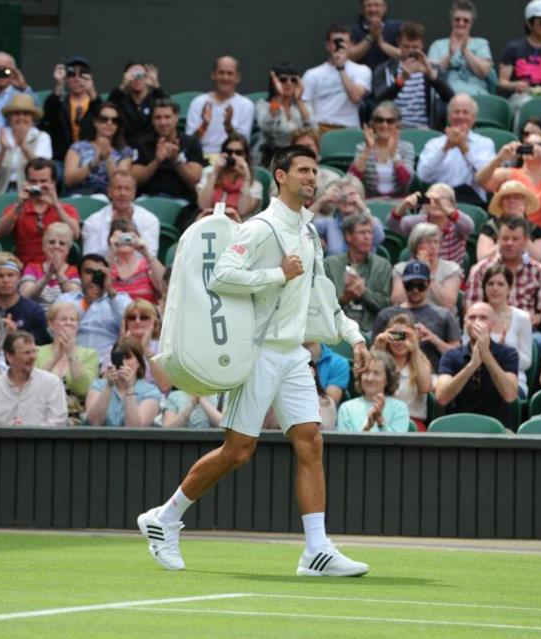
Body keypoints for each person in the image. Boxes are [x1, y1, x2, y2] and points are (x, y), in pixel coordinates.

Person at [136, 144, 371, 577]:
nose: (310, 177)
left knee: (311, 442)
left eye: (314, 170)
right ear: (280, 176)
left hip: (293, 354)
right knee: (238, 451)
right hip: (258, 352)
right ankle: (164, 518)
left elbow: (320, 293)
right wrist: (278, 274)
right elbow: (222, 274)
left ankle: (316, 550)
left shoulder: (309, 232)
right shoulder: (261, 228)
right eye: (301, 169)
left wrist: (354, 336)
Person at [466, 216, 541, 347]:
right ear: (498, 240)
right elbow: (470, 308)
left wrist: (537, 318)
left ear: (525, 241)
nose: (509, 243)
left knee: (540, 341)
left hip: (526, 330)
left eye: (515, 239)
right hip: (487, 327)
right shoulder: (480, 270)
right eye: (505, 238)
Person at [436, 302, 520, 429]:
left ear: (493, 324)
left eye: (483, 318)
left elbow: (510, 395)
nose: (477, 322)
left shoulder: (508, 354)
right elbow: (442, 397)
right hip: (459, 429)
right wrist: (471, 366)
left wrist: (486, 356)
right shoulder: (451, 355)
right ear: (465, 322)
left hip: (498, 431)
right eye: (472, 317)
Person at [475, 133, 541, 236]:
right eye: (528, 145)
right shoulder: (509, 174)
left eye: (540, 145)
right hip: (509, 237)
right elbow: (480, 180)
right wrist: (499, 158)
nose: (533, 148)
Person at [374, 260, 461, 369]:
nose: (415, 290)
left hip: (433, 375)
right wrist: (398, 336)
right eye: (410, 285)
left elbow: (457, 356)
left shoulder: (444, 315)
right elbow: (374, 353)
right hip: (394, 374)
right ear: (403, 284)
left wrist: (433, 338)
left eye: (420, 286)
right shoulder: (386, 315)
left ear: (429, 284)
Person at [0, 158, 81, 267]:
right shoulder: (16, 207)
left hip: (56, 270)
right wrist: (18, 206)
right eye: (33, 182)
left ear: (53, 182)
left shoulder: (66, 208)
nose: (38, 186)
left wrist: (56, 206)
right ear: (26, 182)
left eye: (43, 181)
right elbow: (0, 232)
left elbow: (76, 234)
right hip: (25, 270)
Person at [371, 22, 454, 130]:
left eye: (415, 47)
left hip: (425, 129)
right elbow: (378, 99)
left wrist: (432, 77)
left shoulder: (433, 69)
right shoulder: (385, 69)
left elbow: (450, 98)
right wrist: (401, 80)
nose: (410, 51)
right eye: (406, 46)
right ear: (399, 44)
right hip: (393, 128)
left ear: (422, 46)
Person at [416, 94, 495, 207]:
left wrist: (465, 149)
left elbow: (485, 178)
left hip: (472, 202)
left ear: (474, 118)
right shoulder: (434, 144)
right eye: (456, 112)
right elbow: (423, 175)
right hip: (438, 201)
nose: (460, 116)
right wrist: (444, 149)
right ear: (449, 117)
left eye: (465, 112)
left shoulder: (485, 144)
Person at [0, 330, 68, 426]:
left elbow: (59, 421)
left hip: (41, 440)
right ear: (9, 357)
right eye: (27, 353)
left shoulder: (52, 383)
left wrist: (28, 432)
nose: (33, 356)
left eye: (34, 351)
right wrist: (8, 430)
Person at [323, 213, 393, 337]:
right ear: (348, 236)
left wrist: (364, 293)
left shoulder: (382, 265)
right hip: (337, 329)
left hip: (370, 331)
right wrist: (344, 298)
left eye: (370, 232)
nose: (367, 237)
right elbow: (323, 306)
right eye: (362, 232)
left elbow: (386, 307)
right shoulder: (330, 265)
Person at [57, 254, 133, 362]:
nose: (94, 277)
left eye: (99, 273)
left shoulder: (120, 299)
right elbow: (58, 328)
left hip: (108, 364)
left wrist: (111, 292)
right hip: (72, 361)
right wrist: (87, 301)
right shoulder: (66, 299)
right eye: (89, 272)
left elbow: (131, 324)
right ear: (80, 275)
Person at [497, 0, 541, 113]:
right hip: (520, 98)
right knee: (526, 104)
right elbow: (502, 82)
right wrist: (515, 85)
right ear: (529, 24)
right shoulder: (513, 49)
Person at [302, 26, 372, 132]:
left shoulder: (362, 70)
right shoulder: (312, 74)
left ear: (351, 45)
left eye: (343, 42)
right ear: (327, 45)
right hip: (321, 127)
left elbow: (356, 97)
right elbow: (305, 103)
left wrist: (341, 68)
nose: (339, 46)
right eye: (335, 42)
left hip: (349, 128)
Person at [132, 98, 204, 202]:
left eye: (167, 117)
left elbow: (195, 182)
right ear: (152, 120)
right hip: (147, 199)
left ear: (176, 117)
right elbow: (134, 180)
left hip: (181, 201)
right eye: (158, 118)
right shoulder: (142, 143)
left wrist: (176, 160)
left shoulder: (191, 143)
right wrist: (156, 161)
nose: (163, 122)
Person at [35, 301, 101, 413]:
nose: (69, 323)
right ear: (51, 324)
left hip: (75, 417)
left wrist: (70, 354)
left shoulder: (90, 354)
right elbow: (33, 387)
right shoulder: (37, 352)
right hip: (41, 413)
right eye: (63, 319)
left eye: (73, 320)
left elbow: (84, 389)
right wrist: (55, 357)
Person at [478, 264, 532, 397]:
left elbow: (526, 362)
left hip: (513, 380)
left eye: (501, 284)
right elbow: (465, 356)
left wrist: (505, 351)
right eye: (490, 283)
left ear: (510, 288)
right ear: (484, 287)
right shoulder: (475, 315)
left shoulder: (522, 317)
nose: (495, 288)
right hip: (480, 379)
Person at [371, 313, 434, 427]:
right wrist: (377, 348)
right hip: (381, 420)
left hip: (412, 424)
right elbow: (366, 387)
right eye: (395, 336)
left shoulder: (422, 361)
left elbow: (425, 388)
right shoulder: (378, 360)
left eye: (405, 336)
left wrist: (415, 348)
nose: (399, 342)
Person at [185, 56, 255, 155]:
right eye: (221, 73)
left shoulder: (247, 105)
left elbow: (243, 146)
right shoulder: (198, 102)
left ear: (237, 78)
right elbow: (188, 144)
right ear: (213, 75)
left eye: (230, 73)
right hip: (200, 158)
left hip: (231, 158)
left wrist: (228, 126)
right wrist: (204, 125)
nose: (225, 78)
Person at [85, 337, 161, 427]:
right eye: (119, 357)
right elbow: (94, 422)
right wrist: (108, 386)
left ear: (139, 363)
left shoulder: (150, 391)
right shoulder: (98, 385)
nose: (123, 362)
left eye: (128, 357)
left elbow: (135, 429)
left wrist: (130, 388)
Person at [390, 184, 473, 266]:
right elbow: (393, 226)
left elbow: (469, 228)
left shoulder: (456, 223)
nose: (436, 202)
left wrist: (445, 209)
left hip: (449, 275)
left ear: (452, 204)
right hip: (419, 272)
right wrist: (403, 206)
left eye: (442, 198)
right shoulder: (418, 221)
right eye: (430, 199)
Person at [81, 171, 159, 257]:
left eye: (127, 189)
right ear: (109, 192)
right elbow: (89, 259)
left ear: (134, 193)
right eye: (118, 188)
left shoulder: (150, 220)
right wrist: (111, 235)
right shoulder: (93, 222)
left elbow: (151, 257)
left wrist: (132, 229)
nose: (122, 193)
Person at [0, 93, 52, 194]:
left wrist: (23, 146)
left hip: (32, 192)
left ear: (32, 118)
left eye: (25, 114)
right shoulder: (0, 137)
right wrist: (3, 151)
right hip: (2, 191)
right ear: (10, 118)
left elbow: (43, 170)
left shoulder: (42, 137)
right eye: (16, 113)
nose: (21, 117)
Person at [64, 102, 135, 195]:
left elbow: (121, 183)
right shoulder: (78, 147)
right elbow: (69, 181)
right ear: (95, 122)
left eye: (114, 120)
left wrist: (107, 158)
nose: (109, 123)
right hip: (79, 194)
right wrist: (95, 161)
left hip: (109, 198)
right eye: (104, 119)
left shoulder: (125, 152)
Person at [348, 102, 414, 199]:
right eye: (379, 120)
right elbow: (353, 178)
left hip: (399, 202)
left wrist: (394, 154)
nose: (384, 124)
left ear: (397, 124)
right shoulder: (362, 147)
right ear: (373, 124)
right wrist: (367, 149)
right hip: (369, 201)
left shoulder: (406, 147)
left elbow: (406, 182)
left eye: (390, 121)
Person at [427, 1, 494, 97]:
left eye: (466, 20)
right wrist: (449, 55)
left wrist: (466, 51)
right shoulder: (437, 45)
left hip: (477, 96)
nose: (461, 23)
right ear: (451, 21)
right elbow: (432, 74)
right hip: (447, 96)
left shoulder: (481, 43)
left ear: (471, 23)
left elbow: (483, 73)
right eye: (457, 19)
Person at [40, 55, 100, 163]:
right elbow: (46, 120)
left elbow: (104, 117)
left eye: (82, 74)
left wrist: (92, 91)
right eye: (72, 74)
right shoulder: (58, 103)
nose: (77, 79)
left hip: (91, 159)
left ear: (90, 78)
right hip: (62, 160)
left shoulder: (96, 103)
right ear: (66, 78)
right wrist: (59, 85)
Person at [390, 223, 463, 309]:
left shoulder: (452, 269)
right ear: (416, 244)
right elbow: (397, 301)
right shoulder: (401, 269)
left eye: (436, 242)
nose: (433, 246)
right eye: (427, 242)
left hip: (440, 319)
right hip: (409, 316)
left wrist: (428, 272)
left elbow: (447, 304)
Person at [252, 63, 312, 167]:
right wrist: (278, 97)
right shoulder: (264, 104)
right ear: (274, 83)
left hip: (297, 156)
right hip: (269, 158)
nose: (289, 83)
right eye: (283, 79)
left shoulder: (303, 106)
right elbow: (268, 127)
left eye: (293, 80)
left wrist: (298, 100)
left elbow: (312, 129)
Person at [0, 251, 50, 345]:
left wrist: (16, 337)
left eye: (10, 275)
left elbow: (41, 348)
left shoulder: (34, 311)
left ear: (19, 277)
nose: (6, 280)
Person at [337, 351, 410, 432]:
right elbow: (346, 444)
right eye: (366, 372)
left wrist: (381, 423)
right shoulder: (346, 408)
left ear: (387, 379)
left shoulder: (399, 408)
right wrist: (367, 427)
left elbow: (397, 443)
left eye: (376, 373)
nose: (370, 378)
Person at [311, 176, 384, 256]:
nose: (346, 199)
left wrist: (363, 208)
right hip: (336, 267)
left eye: (352, 194)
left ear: (361, 198)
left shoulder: (371, 222)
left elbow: (379, 237)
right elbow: (301, 226)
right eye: (342, 195)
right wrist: (322, 200)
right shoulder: (329, 224)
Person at [477, 180, 541, 262]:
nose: (511, 201)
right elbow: (482, 258)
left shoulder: (536, 230)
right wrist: (503, 242)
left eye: (516, 197)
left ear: (525, 204)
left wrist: (521, 230)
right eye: (507, 197)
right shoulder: (490, 227)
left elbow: (539, 259)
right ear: (501, 204)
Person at [195, 133, 261, 220]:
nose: (233, 156)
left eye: (238, 153)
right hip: (209, 221)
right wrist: (215, 173)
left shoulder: (254, 185)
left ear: (246, 156)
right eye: (229, 152)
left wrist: (246, 178)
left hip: (236, 227)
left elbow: (242, 212)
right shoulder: (209, 173)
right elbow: (203, 205)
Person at [19, 222, 80, 309]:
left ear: (68, 250)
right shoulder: (32, 268)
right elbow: (25, 297)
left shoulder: (74, 271)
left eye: (62, 243)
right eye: (52, 242)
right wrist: (46, 277)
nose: (56, 246)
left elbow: (75, 299)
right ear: (43, 246)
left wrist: (60, 275)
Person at [106, 61, 166, 148]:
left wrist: (156, 85)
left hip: (153, 146)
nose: (137, 78)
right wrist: (122, 85)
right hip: (126, 147)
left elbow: (169, 110)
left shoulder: (156, 98)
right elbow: (106, 109)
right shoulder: (120, 99)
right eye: (132, 75)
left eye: (141, 75)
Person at [107, 218, 165, 304]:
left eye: (129, 237)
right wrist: (111, 253)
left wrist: (146, 253)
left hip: (146, 314)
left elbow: (165, 287)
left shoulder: (148, 266)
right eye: (121, 237)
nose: (125, 240)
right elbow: (99, 291)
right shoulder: (108, 265)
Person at [117, 299, 170, 392]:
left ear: (154, 322)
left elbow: (165, 386)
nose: (137, 321)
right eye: (132, 317)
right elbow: (108, 382)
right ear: (125, 322)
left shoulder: (163, 348)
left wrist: (145, 348)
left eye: (144, 317)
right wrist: (122, 346)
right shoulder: (115, 348)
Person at [348, 0, 402, 71]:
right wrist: (371, 37)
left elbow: (406, 55)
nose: (373, 10)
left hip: (392, 78)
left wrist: (381, 43)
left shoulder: (398, 27)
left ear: (384, 8)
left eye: (377, 5)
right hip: (361, 79)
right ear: (362, 9)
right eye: (369, 5)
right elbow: (348, 57)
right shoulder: (352, 31)